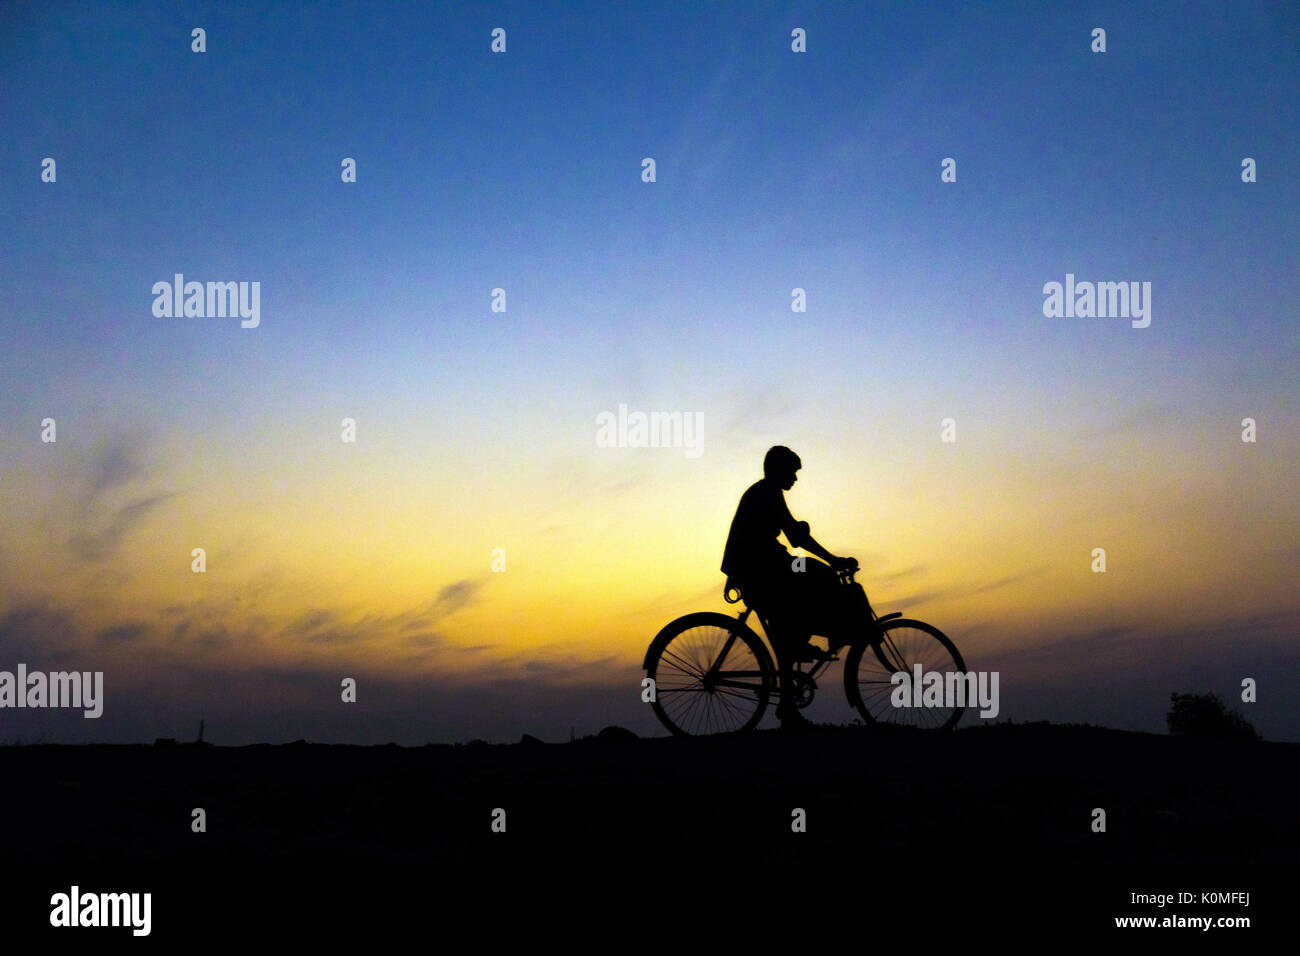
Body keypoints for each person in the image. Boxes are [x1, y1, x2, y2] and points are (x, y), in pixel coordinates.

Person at [720, 446, 859, 730]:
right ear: (779, 470)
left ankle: (790, 684)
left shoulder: (767, 492)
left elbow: (793, 535)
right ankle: (801, 644)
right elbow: (796, 536)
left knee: (805, 582)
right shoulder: (767, 493)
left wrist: (804, 536)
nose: (795, 478)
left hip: (765, 566)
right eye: (793, 472)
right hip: (761, 570)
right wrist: (833, 560)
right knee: (816, 572)